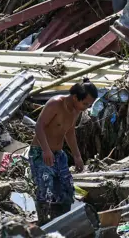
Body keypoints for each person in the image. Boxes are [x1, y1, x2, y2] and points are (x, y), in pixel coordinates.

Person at [30, 79, 99, 224]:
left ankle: (62, 223)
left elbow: (69, 132)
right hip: (40, 153)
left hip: (58, 155)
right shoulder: (55, 104)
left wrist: (77, 155)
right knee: (45, 191)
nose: (86, 107)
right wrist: (46, 150)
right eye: (85, 103)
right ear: (75, 97)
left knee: (67, 190)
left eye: (89, 105)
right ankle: (44, 224)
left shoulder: (76, 110)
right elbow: (39, 126)